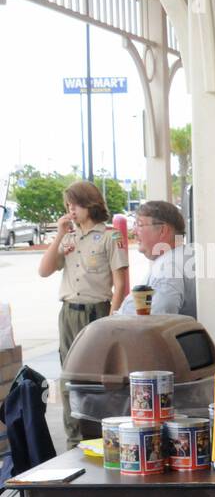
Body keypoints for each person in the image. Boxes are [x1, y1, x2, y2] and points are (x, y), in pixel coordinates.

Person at [36, 180, 129, 447]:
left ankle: (103, 437)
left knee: (99, 376)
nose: (71, 210)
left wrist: (111, 318)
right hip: (69, 312)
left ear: (89, 204)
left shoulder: (110, 236)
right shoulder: (69, 237)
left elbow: (120, 283)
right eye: (67, 205)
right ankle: (74, 439)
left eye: (74, 204)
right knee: (69, 375)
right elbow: (44, 270)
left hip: (97, 311)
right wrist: (58, 236)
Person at [115, 200, 197, 318]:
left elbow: (156, 324)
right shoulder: (185, 257)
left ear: (163, 230)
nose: (134, 232)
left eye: (140, 225)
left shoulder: (168, 268)